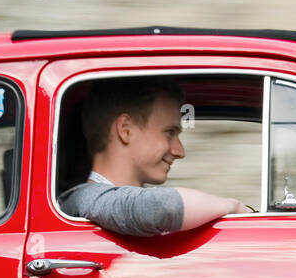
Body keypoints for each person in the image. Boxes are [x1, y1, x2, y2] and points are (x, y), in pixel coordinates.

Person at [59, 78, 247, 236]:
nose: (180, 151)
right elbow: (164, 207)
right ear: (125, 129)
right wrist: (234, 207)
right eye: (169, 133)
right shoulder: (81, 200)